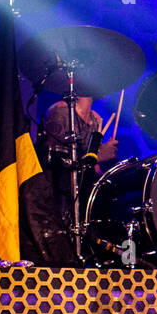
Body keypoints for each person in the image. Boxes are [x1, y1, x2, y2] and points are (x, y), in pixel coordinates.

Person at [41, 96, 120, 264]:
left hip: (82, 193)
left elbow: (94, 168)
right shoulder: (61, 111)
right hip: (60, 193)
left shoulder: (96, 119)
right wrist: (96, 156)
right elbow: (55, 160)